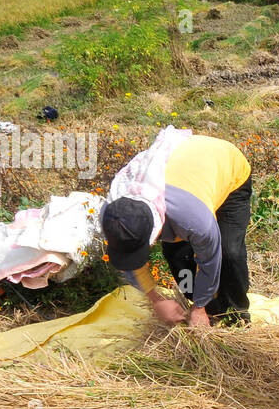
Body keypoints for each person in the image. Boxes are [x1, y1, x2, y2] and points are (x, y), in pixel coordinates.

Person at [100, 135, 253, 328]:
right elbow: (128, 255)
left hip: (227, 167)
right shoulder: (113, 214)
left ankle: (237, 316)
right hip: (186, 181)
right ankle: (200, 301)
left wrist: (200, 307)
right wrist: (156, 300)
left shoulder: (194, 221)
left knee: (229, 252)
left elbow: (209, 259)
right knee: (177, 256)